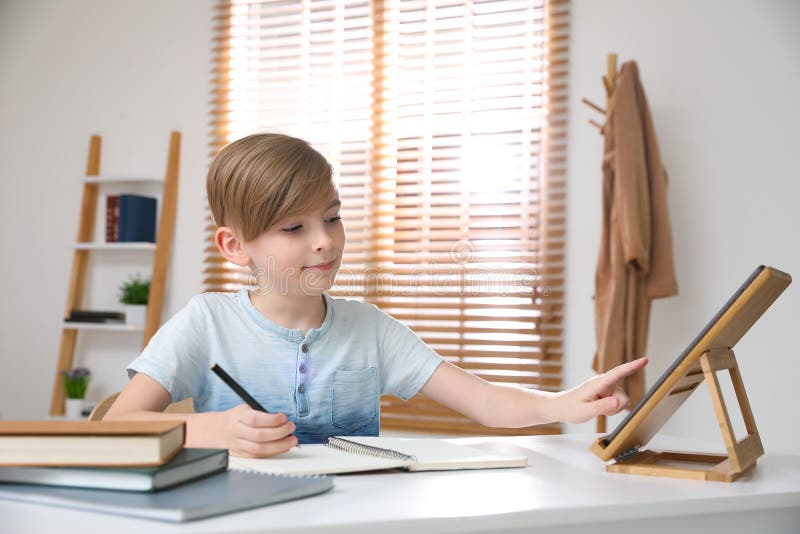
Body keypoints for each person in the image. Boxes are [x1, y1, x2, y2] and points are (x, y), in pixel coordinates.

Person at [105, 133, 646, 458]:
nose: (325, 241)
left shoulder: (370, 329)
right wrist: (211, 429)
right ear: (234, 245)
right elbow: (116, 428)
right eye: (293, 228)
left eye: (333, 218)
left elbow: (481, 400)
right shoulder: (206, 323)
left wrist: (560, 404)